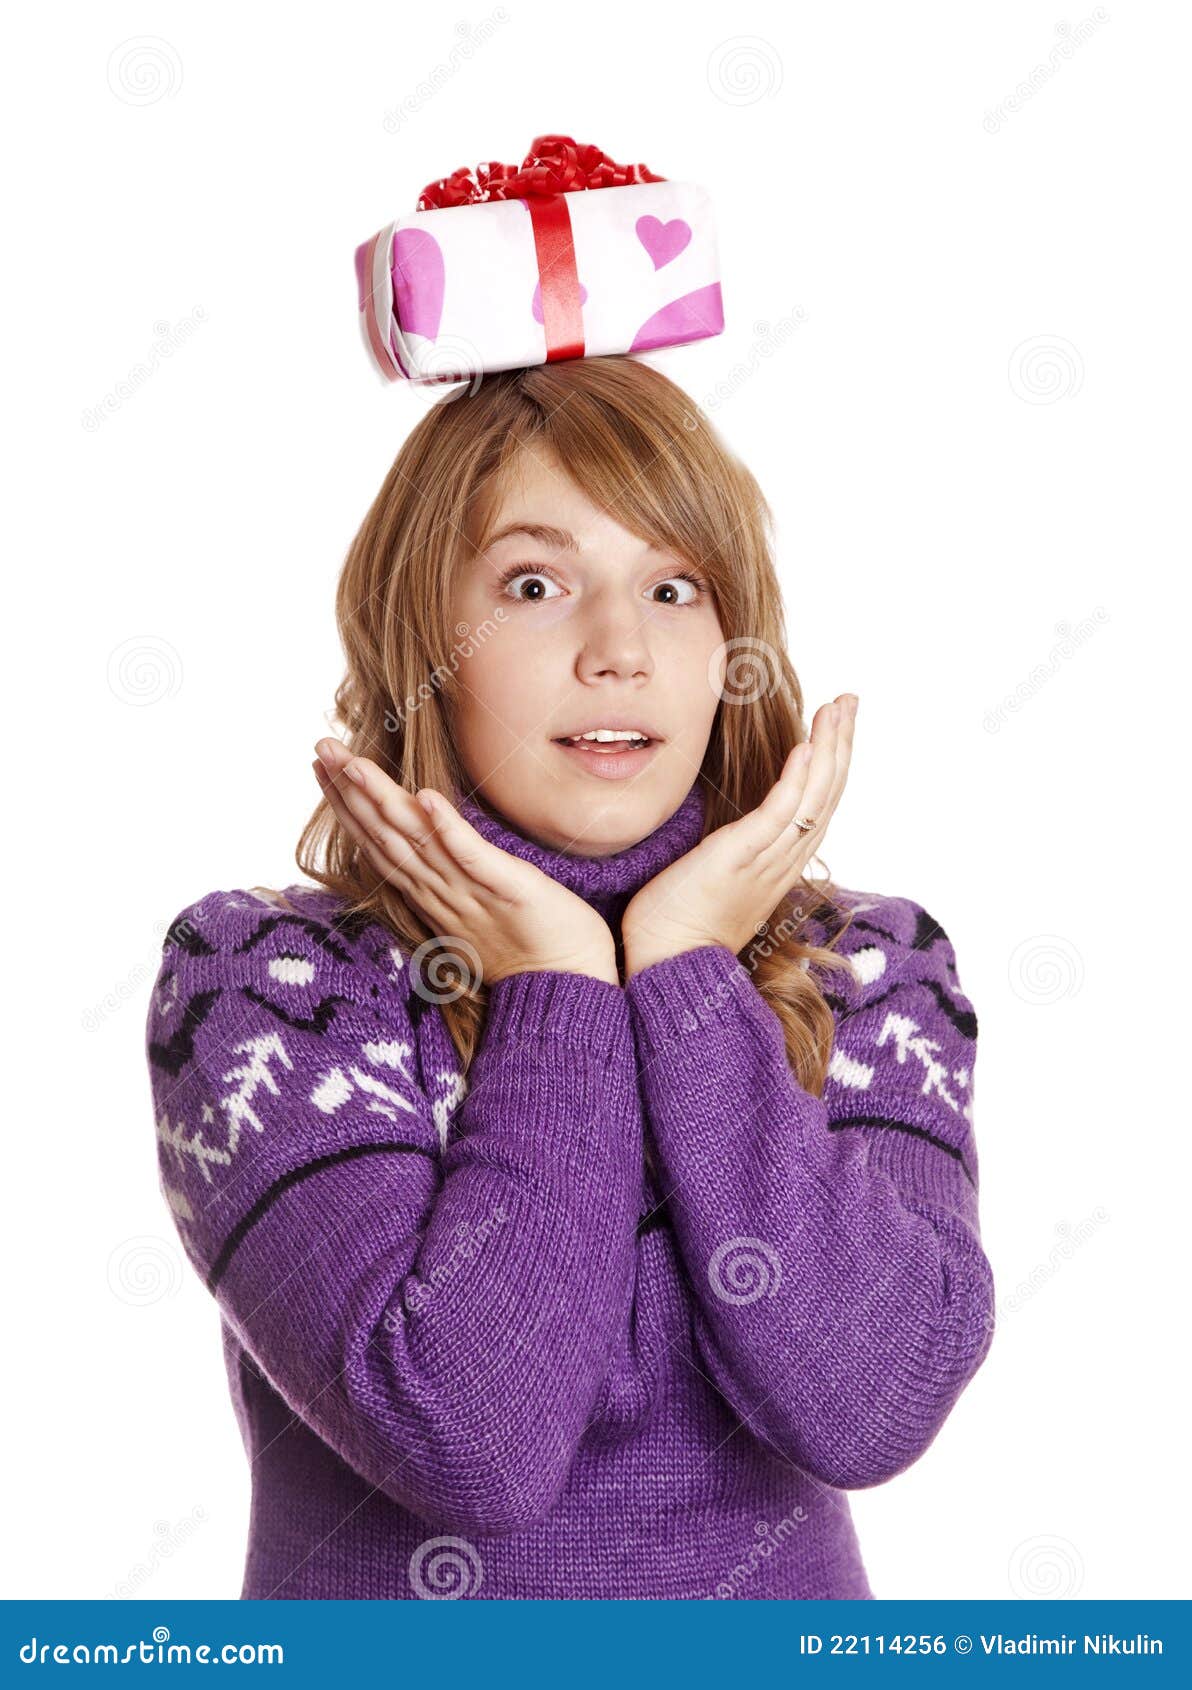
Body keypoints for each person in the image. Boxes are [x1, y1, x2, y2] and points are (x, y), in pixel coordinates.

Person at [145, 355, 994, 1600]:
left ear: (732, 645)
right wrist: (556, 984)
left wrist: (690, 975)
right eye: (534, 584)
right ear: (424, 632)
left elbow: (871, 1408)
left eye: (674, 586)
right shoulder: (265, 981)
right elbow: (467, 1439)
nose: (620, 650)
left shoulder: (868, 966)